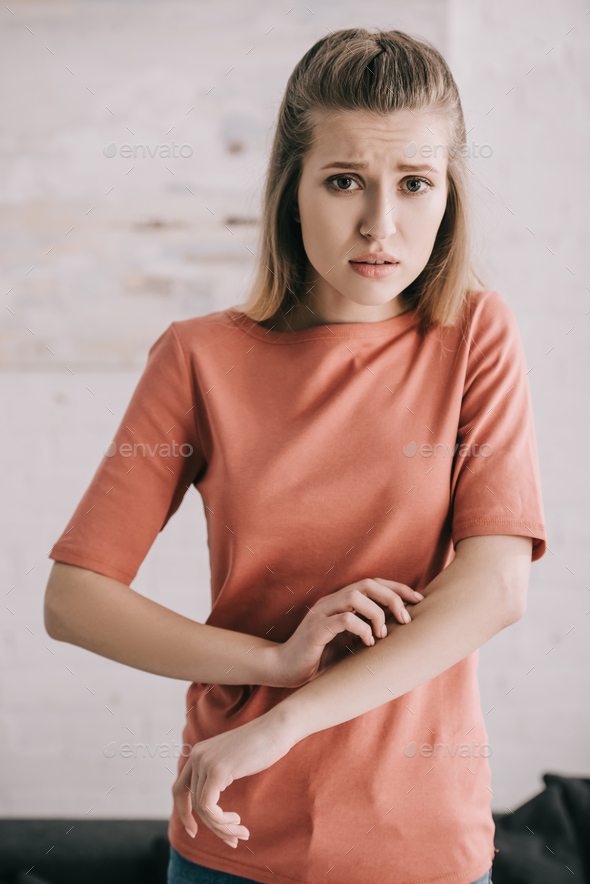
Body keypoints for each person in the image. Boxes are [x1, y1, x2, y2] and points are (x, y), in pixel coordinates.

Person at [44, 27, 546, 884]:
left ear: (448, 195)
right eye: (344, 180)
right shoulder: (198, 357)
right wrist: (270, 663)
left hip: (421, 847)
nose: (379, 225)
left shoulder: (474, 336)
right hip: (230, 837)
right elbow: (76, 598)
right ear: (293, 189)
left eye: (415, 184)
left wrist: (284, 717)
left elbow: (494, 587)